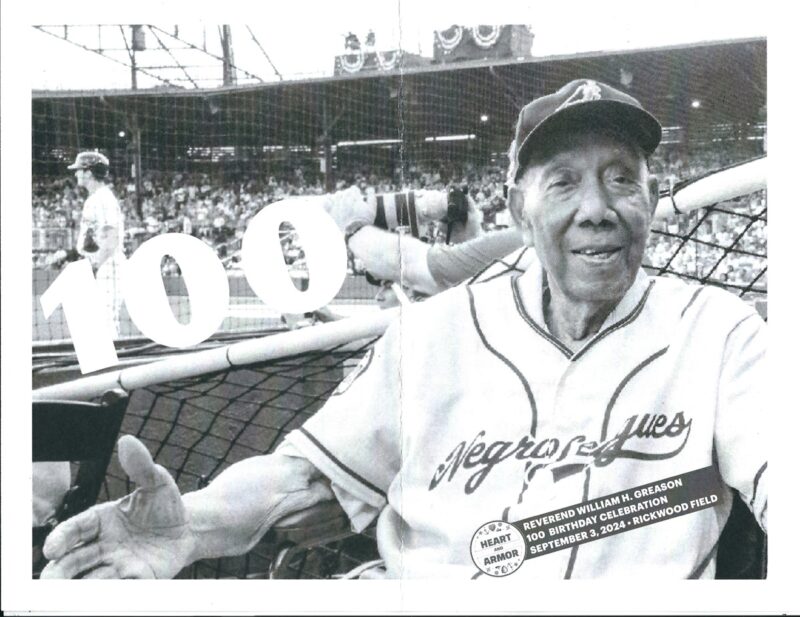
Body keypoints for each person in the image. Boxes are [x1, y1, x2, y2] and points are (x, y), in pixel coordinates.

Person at [41, 80, 766, 579]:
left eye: (621, 177)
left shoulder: (721, 332)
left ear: (650, 197)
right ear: (519, 211)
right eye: (564, 181)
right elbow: (296, 480)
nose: (597, 207)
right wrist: (190, 525)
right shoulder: (432, 334)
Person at [70, 151, 126, 336]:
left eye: (78, 170)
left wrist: (94, 266)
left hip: (107, 265)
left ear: (88, 171)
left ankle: (111, 365)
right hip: (102, 263)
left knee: (105, 323)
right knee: (96, 322)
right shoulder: (97, 198)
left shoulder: (102, 199)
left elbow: (111, 238)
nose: (76, 173)